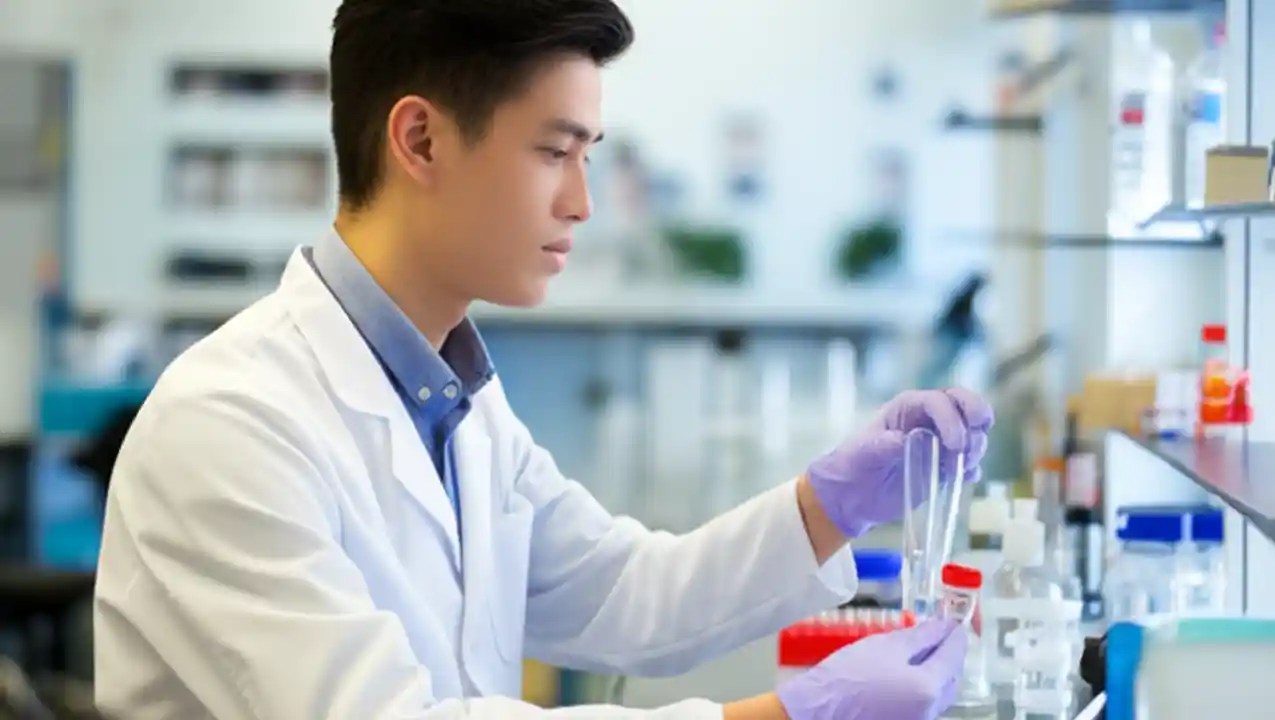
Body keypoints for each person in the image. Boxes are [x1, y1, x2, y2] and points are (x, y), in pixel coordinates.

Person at [92, 2, 994, 718]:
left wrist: (830, 505)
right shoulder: (229, 423)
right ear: (420, 140)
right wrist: (786, 714)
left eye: (587, 155)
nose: (581, 202)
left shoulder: (455, 403)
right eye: (554, 152)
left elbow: (626, 595)